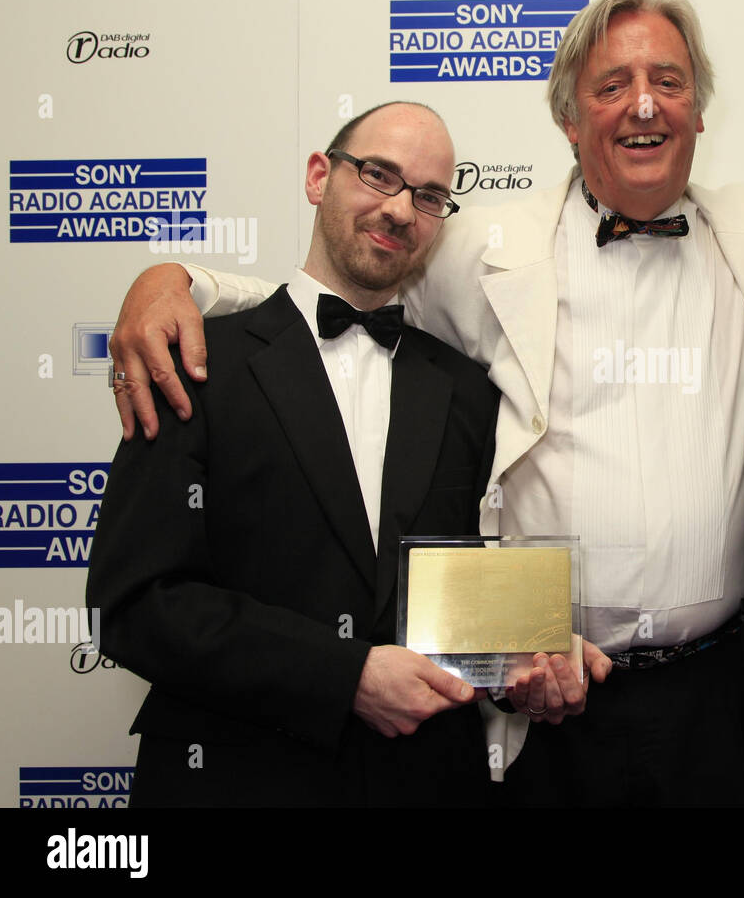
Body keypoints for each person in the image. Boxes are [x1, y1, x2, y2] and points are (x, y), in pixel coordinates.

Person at [105, 0, 744, 806]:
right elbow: (357, 267)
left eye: (668, 81)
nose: (644, 104)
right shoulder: (480, 246)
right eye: (611, 85)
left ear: (701, 111)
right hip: (541, 700)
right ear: (569, 117)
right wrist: (181, 285)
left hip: (722, 696)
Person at [86, 102, 504, 805]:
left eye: (428, 196)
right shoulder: (190, 359)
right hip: (234, 778)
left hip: (424, 780)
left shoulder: (465, 389)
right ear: (319, 176)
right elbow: (136, 604)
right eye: (379, 175)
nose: (401, 209)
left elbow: (468, 589)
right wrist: (345, 676)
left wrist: (538, 650)